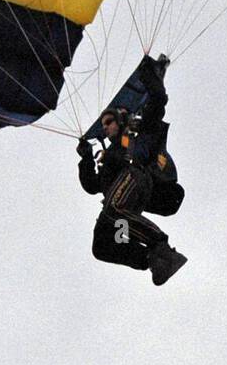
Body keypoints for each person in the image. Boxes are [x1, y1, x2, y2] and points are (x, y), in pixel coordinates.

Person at [76, 56, 187, 285]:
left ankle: (161, 247)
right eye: (104, 125)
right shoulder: (107, 161)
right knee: (103, 244)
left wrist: (150, 76)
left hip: (137, 180)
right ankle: (150, 258)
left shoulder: (139, 135)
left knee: (114, 208)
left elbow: (158, 100)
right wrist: (86, 157)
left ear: (121, 119)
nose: (106, 128)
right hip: (125, 202)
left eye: (110, 122)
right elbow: (91, 186)